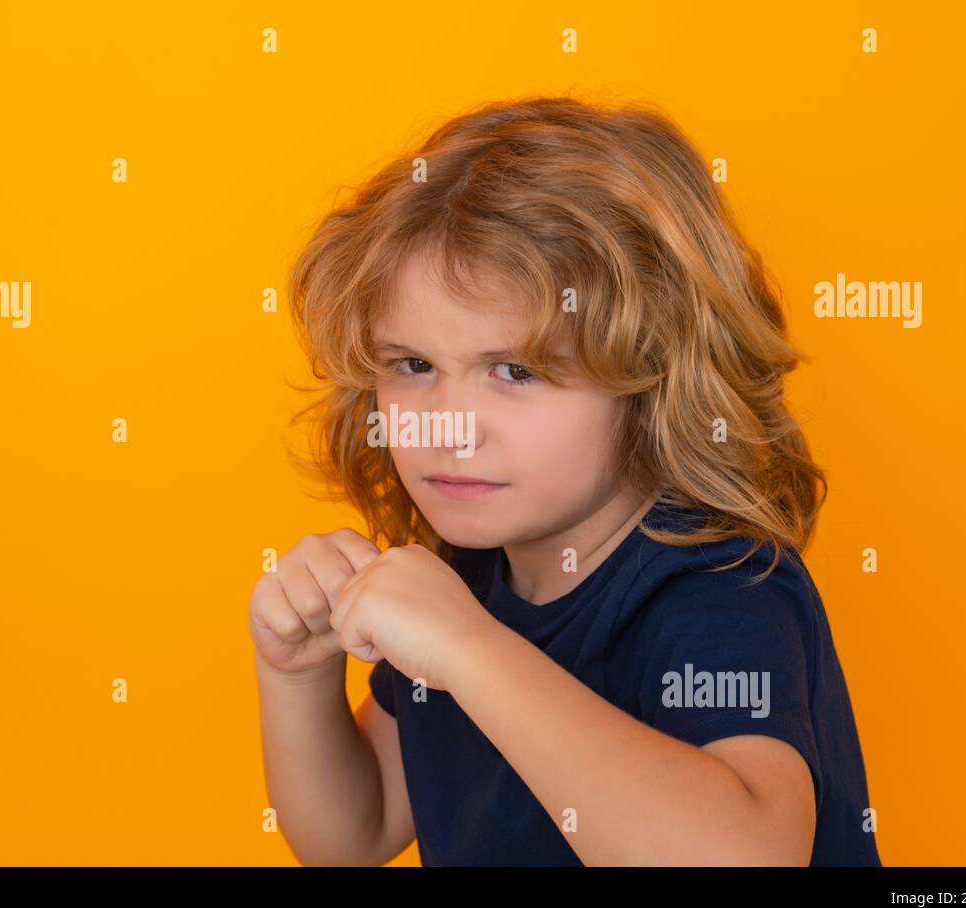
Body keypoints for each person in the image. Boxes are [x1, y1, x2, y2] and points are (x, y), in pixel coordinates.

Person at [249, 95, 881, 866]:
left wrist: (467, 649)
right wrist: (299, 673)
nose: (449, 424)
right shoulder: (469, 583)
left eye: (514, 371)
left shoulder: (715, 586)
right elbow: (354, 834)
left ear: (651, 379)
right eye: (413, 366)